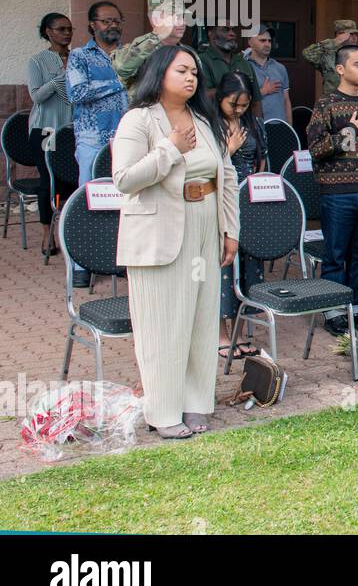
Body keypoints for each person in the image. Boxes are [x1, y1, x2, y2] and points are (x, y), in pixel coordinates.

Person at [111, 44, 239, 440]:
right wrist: (169, 148)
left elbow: (228, 175)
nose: (190, 78)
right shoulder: (138, 120)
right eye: (182, 70)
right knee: (163, 324)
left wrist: (230, 229)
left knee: (201, 318)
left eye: (195, 74)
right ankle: (163, 410)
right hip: (159, 232)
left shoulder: (202, 120)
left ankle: (196, 402)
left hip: (204, 226)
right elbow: (125, 180)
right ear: (159, 73)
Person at [306, 45, 358, 336]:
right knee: (336, 253)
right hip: (338, 192)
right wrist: (349, 131)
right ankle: (334, 311)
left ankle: (356, 308)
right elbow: (315, 149)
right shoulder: (327, 103)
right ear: (340, 69)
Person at [66, 1, 130, 283]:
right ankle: (81, 266)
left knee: (127, 203)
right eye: (106, 21)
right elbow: (78, 92)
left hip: (128, 139)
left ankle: (121, 261)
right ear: (92, 24)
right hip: (93, 138)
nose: (112, 25)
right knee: (88, 202)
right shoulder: (79, 56)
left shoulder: (130, 56)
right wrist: (119, 82)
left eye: (117, 20)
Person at [214, 72, 267, 359]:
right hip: (223, 198)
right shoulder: (210, 126)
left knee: (249, 268)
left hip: (250, 200)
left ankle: (240, 330)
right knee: (224, 267)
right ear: (220, 98)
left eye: (244, 105)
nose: (238, 111)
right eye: (233, 105)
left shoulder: (254, 125)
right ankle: (220, 334)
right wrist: (229, 149)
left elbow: (261, 159)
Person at [27, 12, 76, 256]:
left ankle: (73, 230)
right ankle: (48, 233)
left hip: (73, 130)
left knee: (73, 179)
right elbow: (36, 96)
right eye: (61, 29)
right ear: (48, 31)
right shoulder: (37, 61)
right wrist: (60, 78)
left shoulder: (78, 58)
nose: (66, 33)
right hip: (46, 129)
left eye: (69, 29)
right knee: (49, 181)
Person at [112, 0, 187, 100]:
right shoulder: (136, 51)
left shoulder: (188, 53)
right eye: (174, 16)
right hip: (146, 113)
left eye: (182, 16)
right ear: (155, 19)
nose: (182, 22)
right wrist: (155, 36)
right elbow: (122, 67)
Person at [199, 20, 262, 116]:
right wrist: (232, 87)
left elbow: (256, 102)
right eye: (226, 30)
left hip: (245, 127)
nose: (232, 34)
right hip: (213, 124)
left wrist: (258, 126)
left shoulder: (244, 63)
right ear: (211, 34)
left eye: (233, 30)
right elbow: (201, 96)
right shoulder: (201, 60)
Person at [244, 24, 291, 124]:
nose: (267, 44)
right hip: (254, 127)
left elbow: (286, 100)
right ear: (250, 42)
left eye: (269, 41)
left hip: (280, 126)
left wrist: (290, 126)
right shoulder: (243, 66)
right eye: (262, 40)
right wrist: (263, 91)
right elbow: (238, 99)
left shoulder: (280, 68)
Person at [302, 19, 358, 97]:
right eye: (350, 34)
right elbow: (307, 54)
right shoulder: (327, 54)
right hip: (333, 99)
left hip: (355, 99)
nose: (354, 37)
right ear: (339, 34)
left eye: (356, 34)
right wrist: (335, 41)